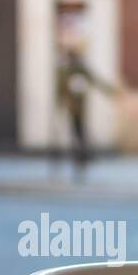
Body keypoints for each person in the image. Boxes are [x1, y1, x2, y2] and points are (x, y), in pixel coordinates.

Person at [55, 46, 115, 180]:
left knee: (80, 133)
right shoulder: (67, 72)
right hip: (74, 109)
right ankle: (80, 157)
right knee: (78, 134)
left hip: (79, 109)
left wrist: (111, 93)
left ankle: (82, 157)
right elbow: (61, 90)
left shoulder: (77, 71)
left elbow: (96, 81)